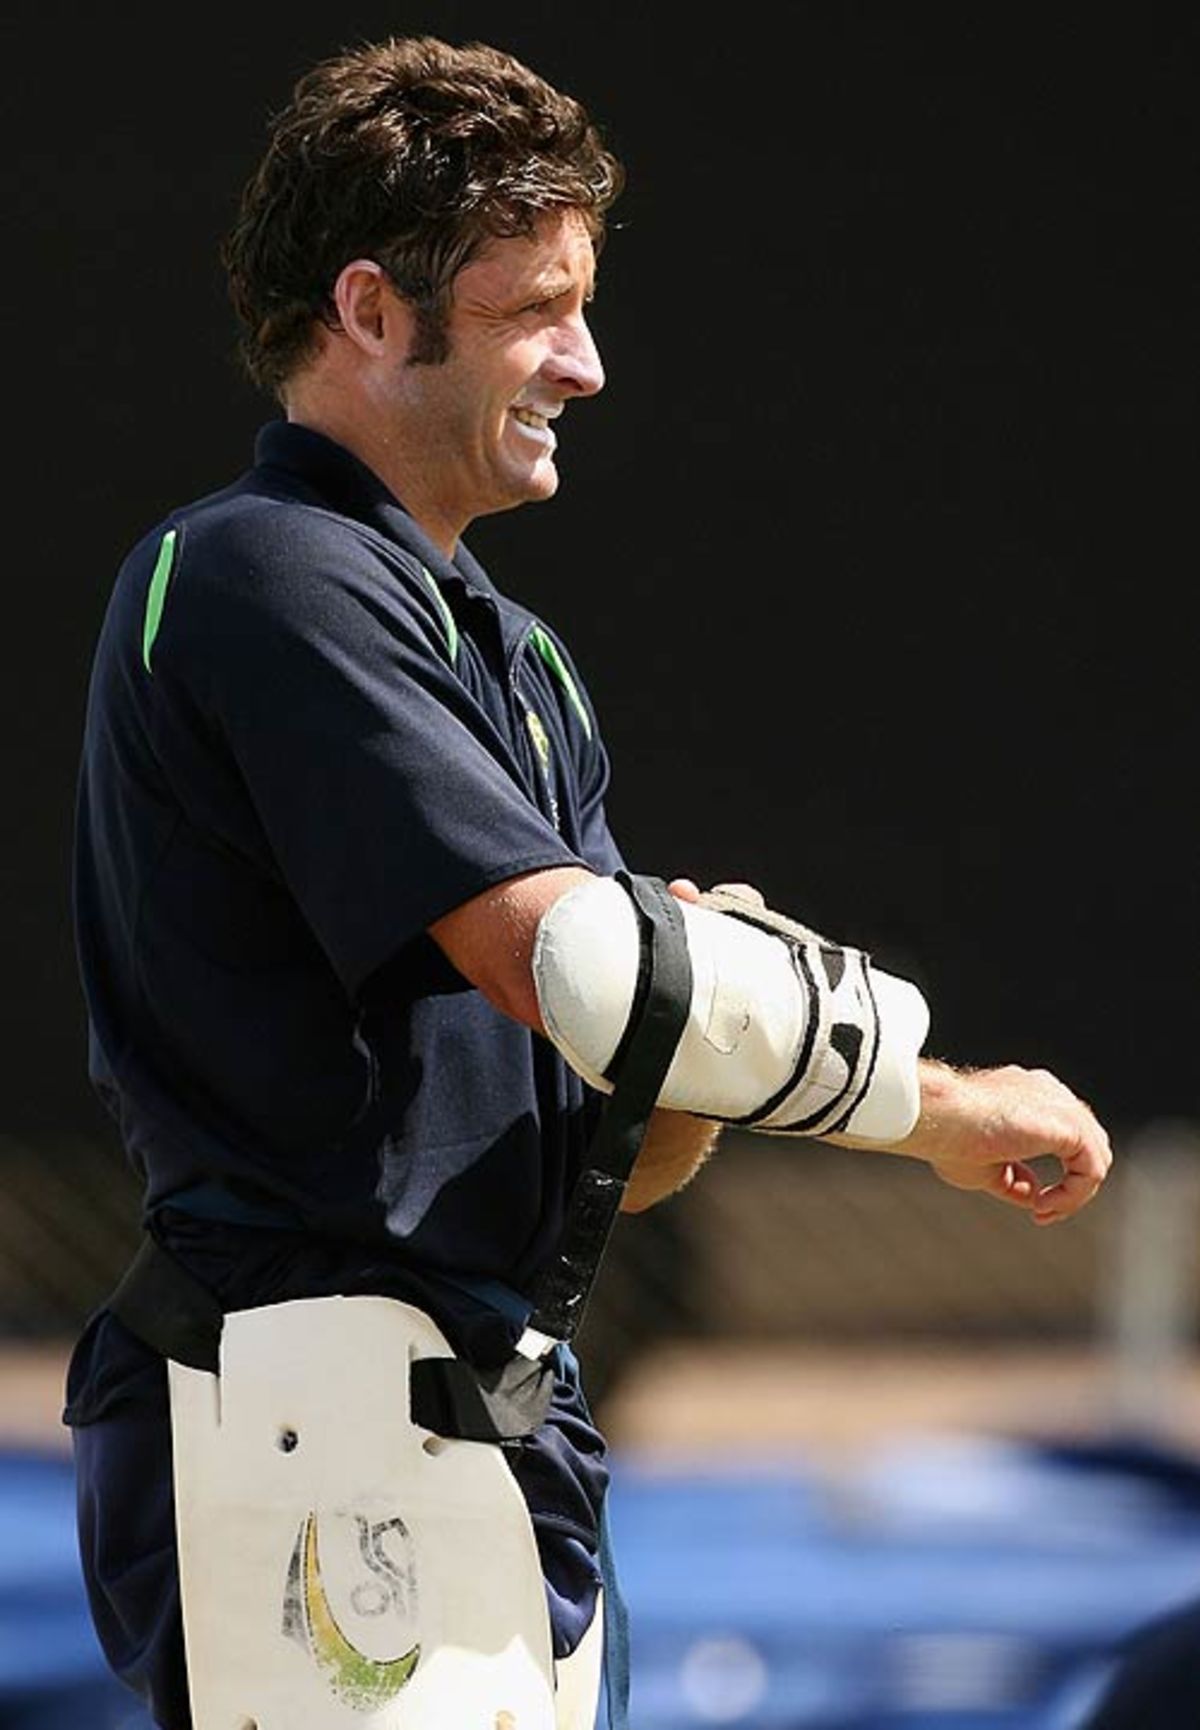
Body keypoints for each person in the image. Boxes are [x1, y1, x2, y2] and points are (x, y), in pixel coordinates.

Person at [64, 33, 1113, 1730]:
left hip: (482, 1427)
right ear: (371, 312)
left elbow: (620, 1106)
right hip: (310, 1418)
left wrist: (692, 1019)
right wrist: (937, 1098)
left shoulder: (517, 655)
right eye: (535, 310)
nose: (590, 361)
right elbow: (591, 982)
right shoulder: (264, 570)